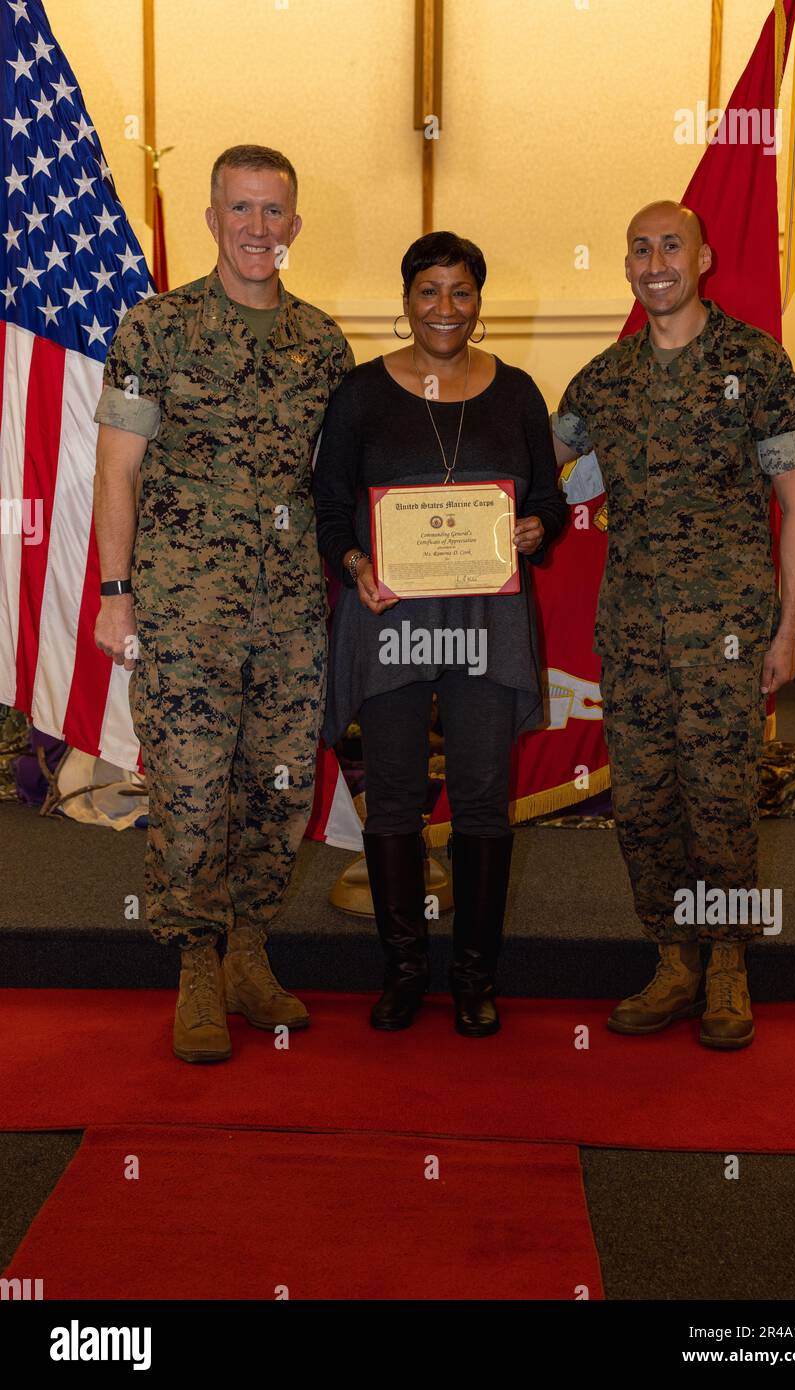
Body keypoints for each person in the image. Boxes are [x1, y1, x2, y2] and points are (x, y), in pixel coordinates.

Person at [92, 145, 353, 1063]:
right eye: (240, 208)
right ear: (212, 219)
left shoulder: (322, 345)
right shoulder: (154, 331)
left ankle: (248, 950)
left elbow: (340, 482)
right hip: (181, 612)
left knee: (277, 791)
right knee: (192, 793)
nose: (256, 227)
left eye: (272, 210)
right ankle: (196, 962)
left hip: (289, 617)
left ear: (294, 224)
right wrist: (116, 595)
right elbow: (117, 473)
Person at [553, 201, 795, 1050]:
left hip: (726, 637)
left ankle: (727, 964)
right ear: (626, 265)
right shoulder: (602, 380)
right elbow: (533, 469)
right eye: (640, 248)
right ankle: (672, 960)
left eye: (671, 246)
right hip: (632, 634)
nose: (655, 261)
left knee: (721, 800)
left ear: (702, 259)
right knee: (641, 804)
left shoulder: (754, 362)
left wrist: (787, 633)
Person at [313, 231, 567, 1037]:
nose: (445, 307)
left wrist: (536, 527)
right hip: (389, 617)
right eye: (429, 290)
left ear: (478, 301)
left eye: (461, 291)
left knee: (483, 798)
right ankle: (403, 971)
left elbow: (549, 500)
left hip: (486, 620)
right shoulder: (359, 394)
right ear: (406, 300)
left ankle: (472, 977)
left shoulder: (516, 392)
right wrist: (353, 560)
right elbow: (327, 505)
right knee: (391, 796)